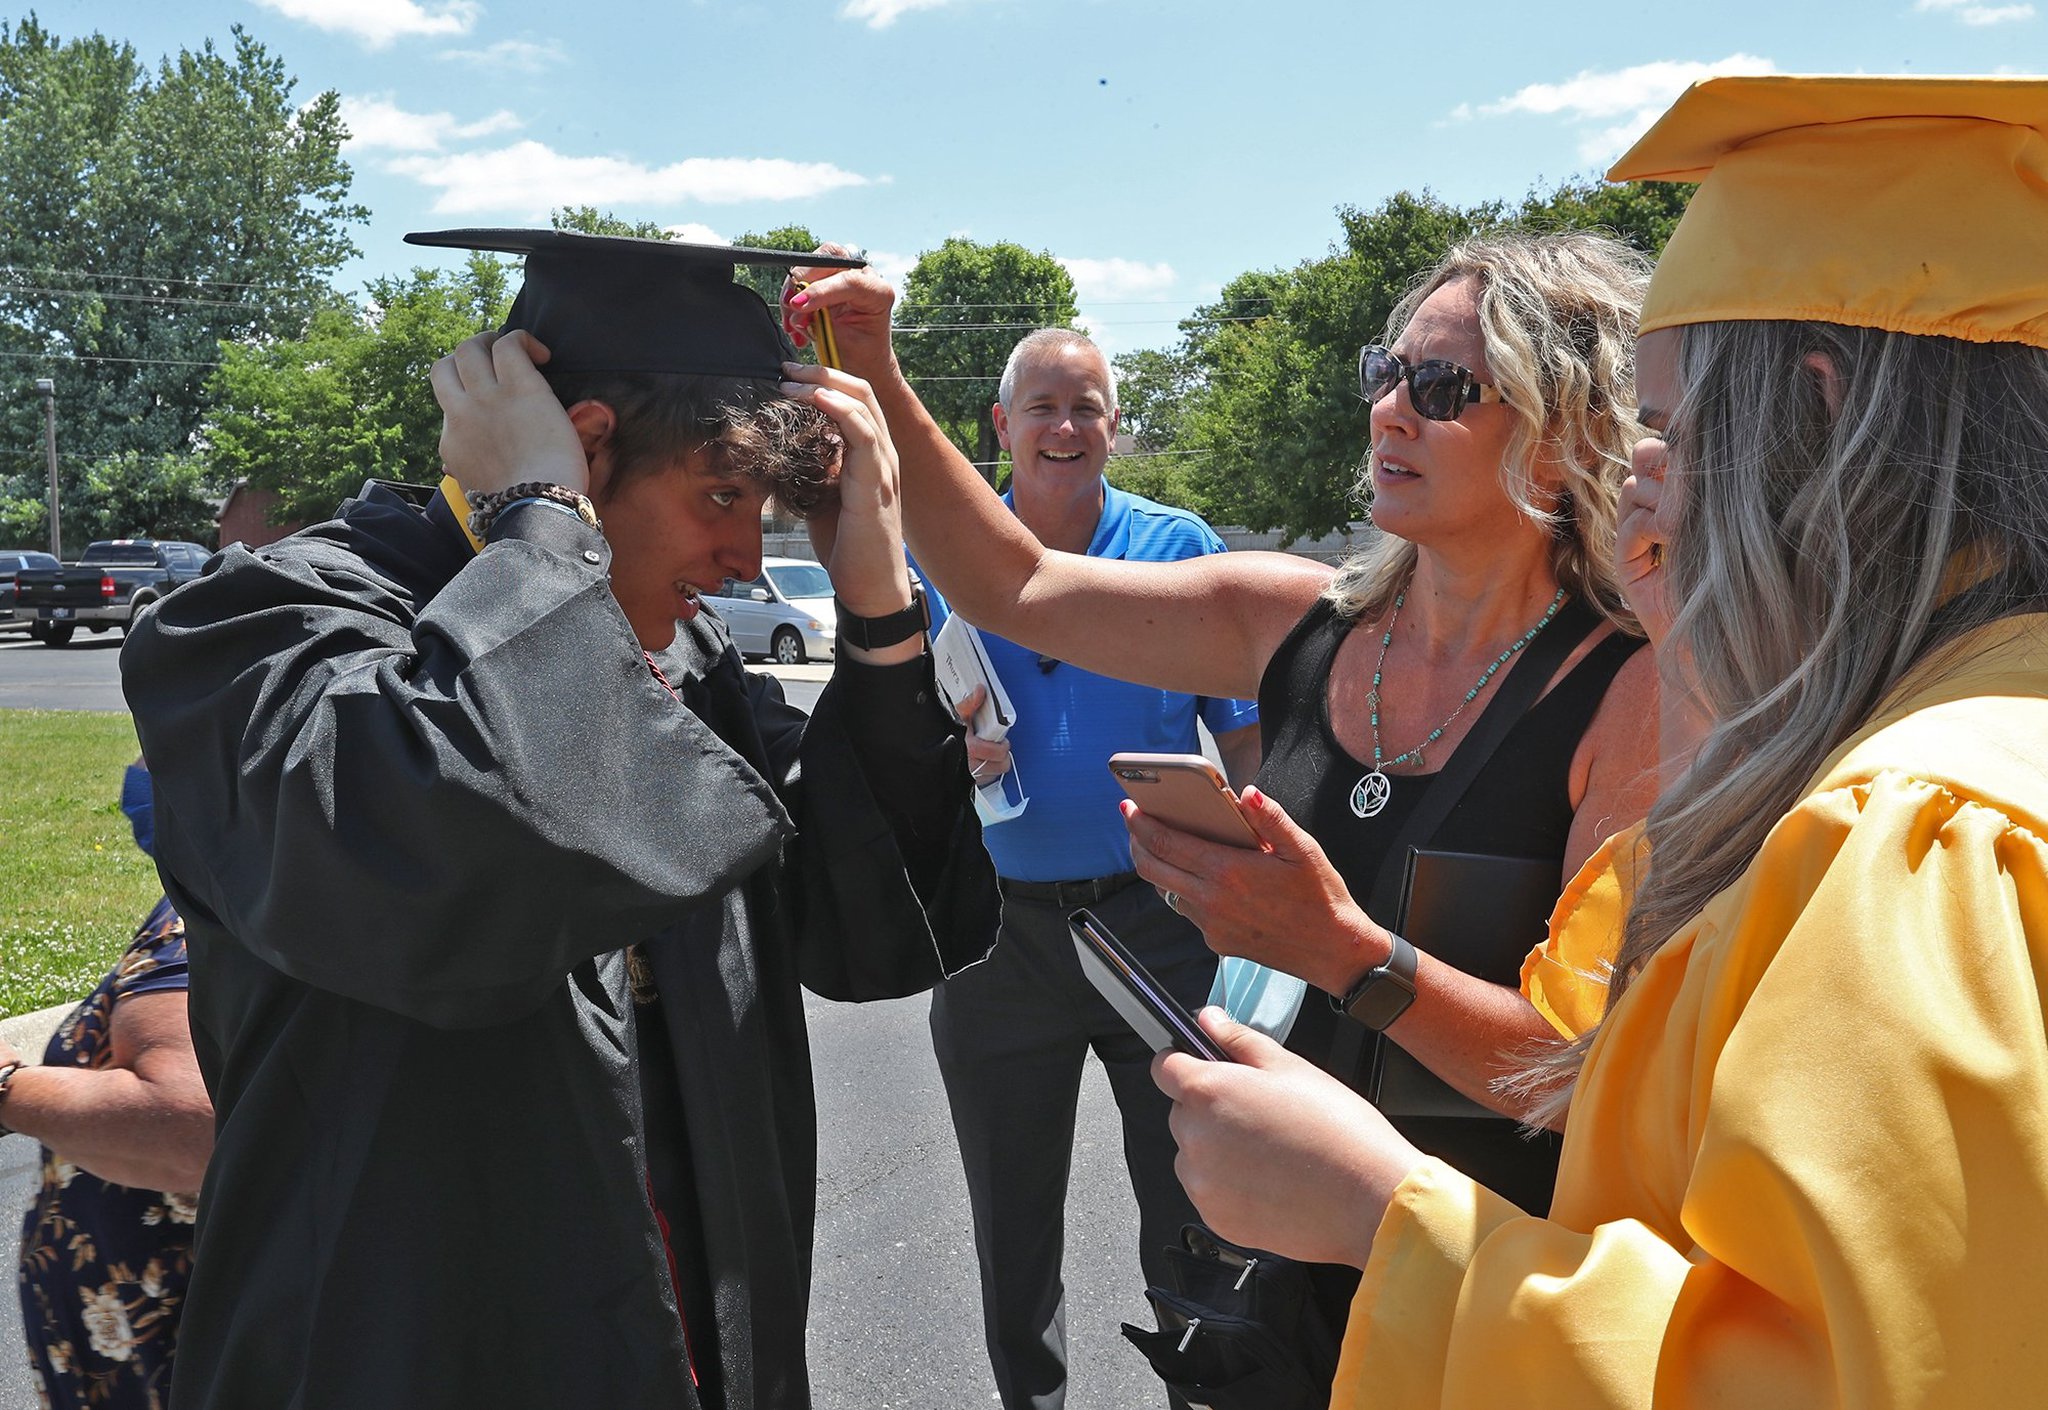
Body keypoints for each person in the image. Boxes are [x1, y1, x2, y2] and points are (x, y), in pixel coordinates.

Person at [1149, 74, 2048, 1407]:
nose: (1647, 481)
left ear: (1811, 408)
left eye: (1679, 430)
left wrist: (1388, 1213)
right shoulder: (1989, 728)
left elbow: (1844, 1376)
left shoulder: (1915, 842)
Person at [120, 229, 999, 1410]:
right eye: (722, 496)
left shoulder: (684, 658)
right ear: (584, 444)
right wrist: (540, 520)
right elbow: (433, 859)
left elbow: (866, 924)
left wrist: (879, 604)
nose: (746, 560)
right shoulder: (263, 620)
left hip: (694, 1322)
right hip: (413, 1336)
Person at [787, 231, 1661, 1220]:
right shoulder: (1291, 620)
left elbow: (1584, 1068)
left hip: (1463, 1284)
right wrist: (868, 362)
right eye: (1385, 374)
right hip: (1270, 1262)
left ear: (1560, 430)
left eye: (1441, 387)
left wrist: (1345, 954)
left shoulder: (1630, 693)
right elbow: (1011, 584)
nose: (1387, 411)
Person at [918, 327, 1260, 1410]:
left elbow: (1244, 731)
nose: (1064, 429)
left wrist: (1244, 852)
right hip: (992, 939)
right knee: (1009, 1221)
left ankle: (1197, 1394)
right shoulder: (940, 555)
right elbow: (894, 727)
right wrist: (943, 754)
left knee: (1191, 1211)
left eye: (1087, 408)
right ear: (1001, 425)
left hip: (1153, 922)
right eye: (1042, 408)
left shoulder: (1176, 545)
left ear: (1114, 423)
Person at [6, 758, 213, 1409]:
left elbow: (183, 1124)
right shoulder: (245, 887)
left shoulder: (198, 924)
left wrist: (8, 1085)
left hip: (156, 1332)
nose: (141, 770)